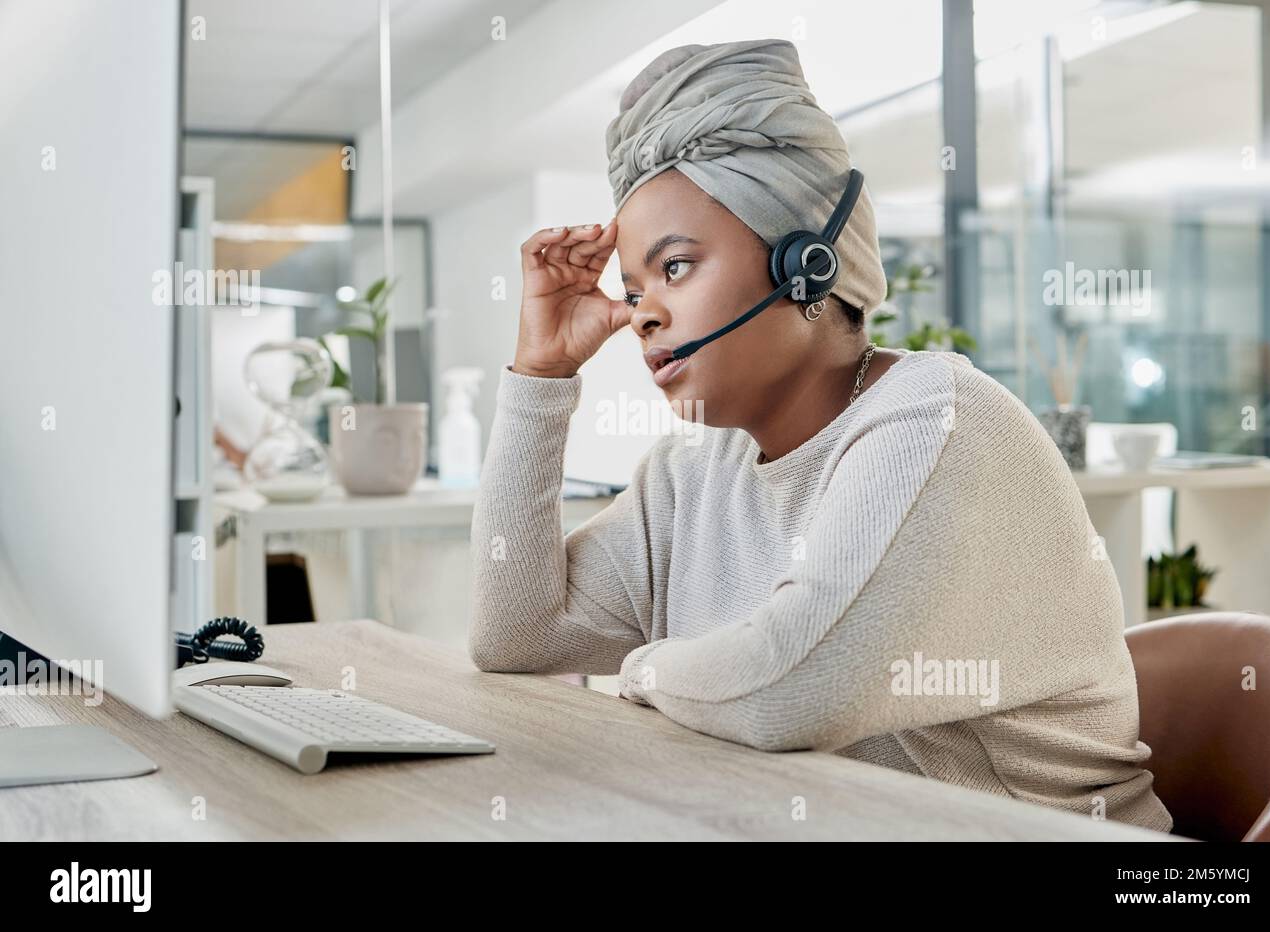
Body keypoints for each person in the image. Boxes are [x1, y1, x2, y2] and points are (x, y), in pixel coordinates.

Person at [468, 38, 1173, 832]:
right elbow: (515, 633)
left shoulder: (938, 422)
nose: (643, 315)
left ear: (805, 264)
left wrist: (640, 669)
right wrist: (540, 373)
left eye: (675, 267)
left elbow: (788, 689)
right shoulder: (691, 473)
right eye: (632, 290)